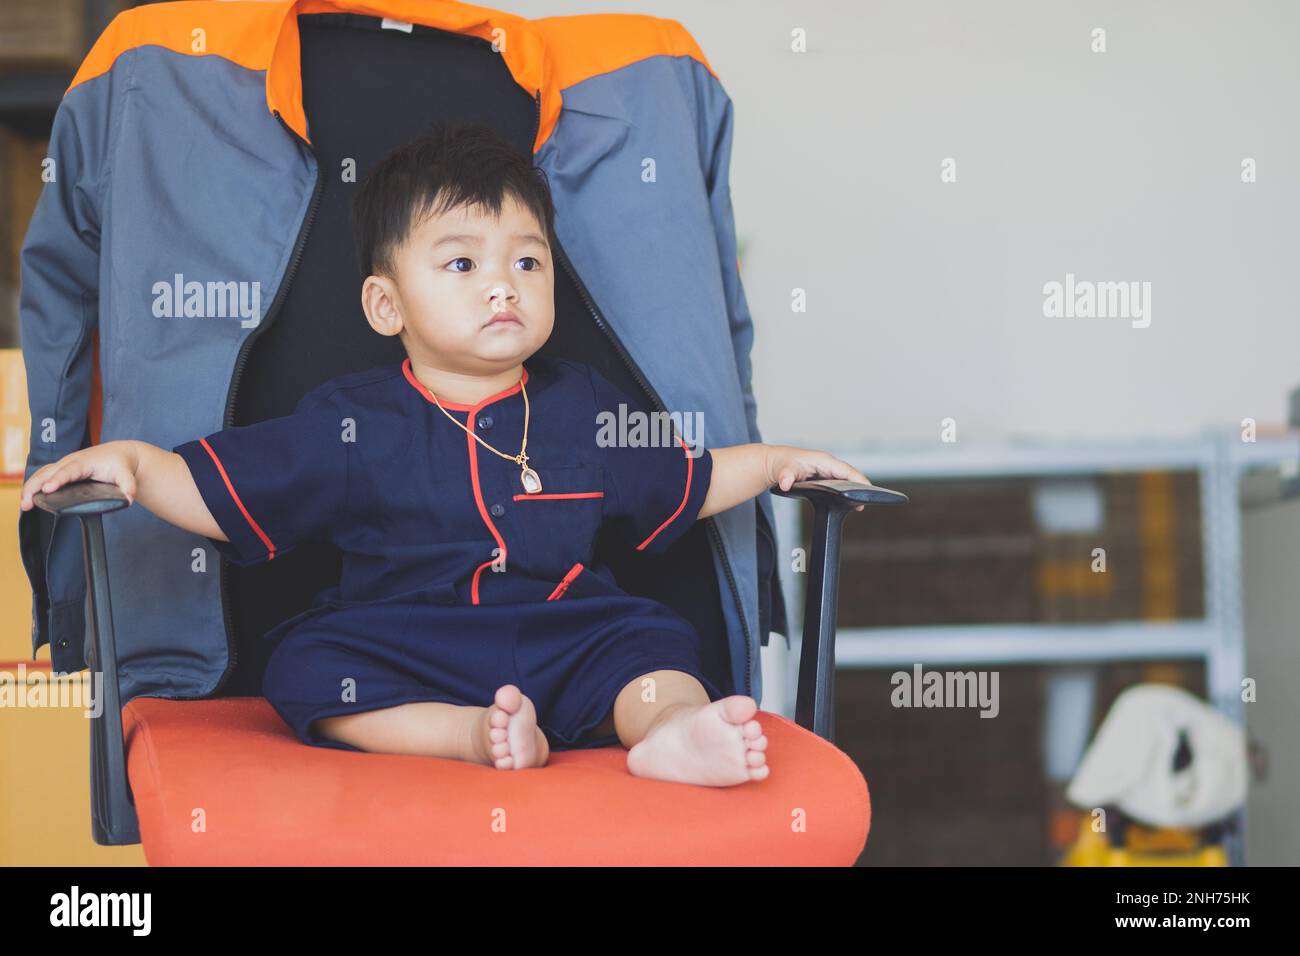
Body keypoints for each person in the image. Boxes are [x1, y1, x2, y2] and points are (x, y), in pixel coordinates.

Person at [18, 122, 872, 787]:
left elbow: (684, 481)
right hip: (407, 640)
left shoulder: (584, 407)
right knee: (308, 666)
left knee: (655, 646)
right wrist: (134, 461)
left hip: (566, 631)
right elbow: (229, 486)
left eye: (526, 261)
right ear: (387, 305)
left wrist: (768, 462)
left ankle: (674, 737)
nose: (502, 283)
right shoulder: (350, 421)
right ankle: (469, 738)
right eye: (462, 262)